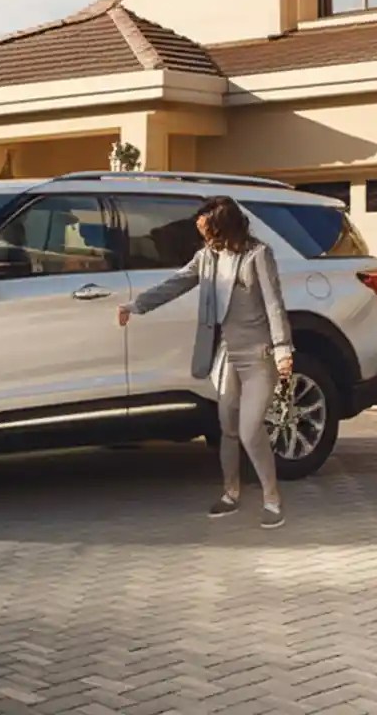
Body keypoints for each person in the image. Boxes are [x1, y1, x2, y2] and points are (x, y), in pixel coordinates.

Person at [117, 196, 293, 530]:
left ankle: (272, 499)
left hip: (258, 354)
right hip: (226, 353)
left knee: (249, 428)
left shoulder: (258, 255)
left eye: (208, 230)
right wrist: (136, 306)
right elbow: (175, 283)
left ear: (224, 225)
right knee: (226, 426)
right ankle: (231, 493)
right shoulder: (207, 258)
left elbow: (275, 305)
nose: (204, 238)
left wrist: (283, 349)